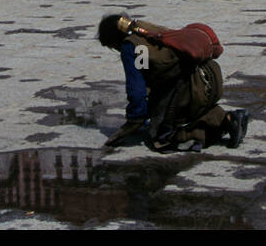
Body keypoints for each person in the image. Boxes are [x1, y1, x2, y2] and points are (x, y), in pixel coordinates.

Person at [97, 14, 249, 152]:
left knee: (161, 138)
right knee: (179, 113)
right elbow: (149, 74)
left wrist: (134, 120)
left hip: (191, 87)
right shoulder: (144, 29)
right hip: (210, 78)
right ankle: (230, 119)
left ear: (113, 40)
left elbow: (137, 88)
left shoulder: (131, 46)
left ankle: (199, 135)